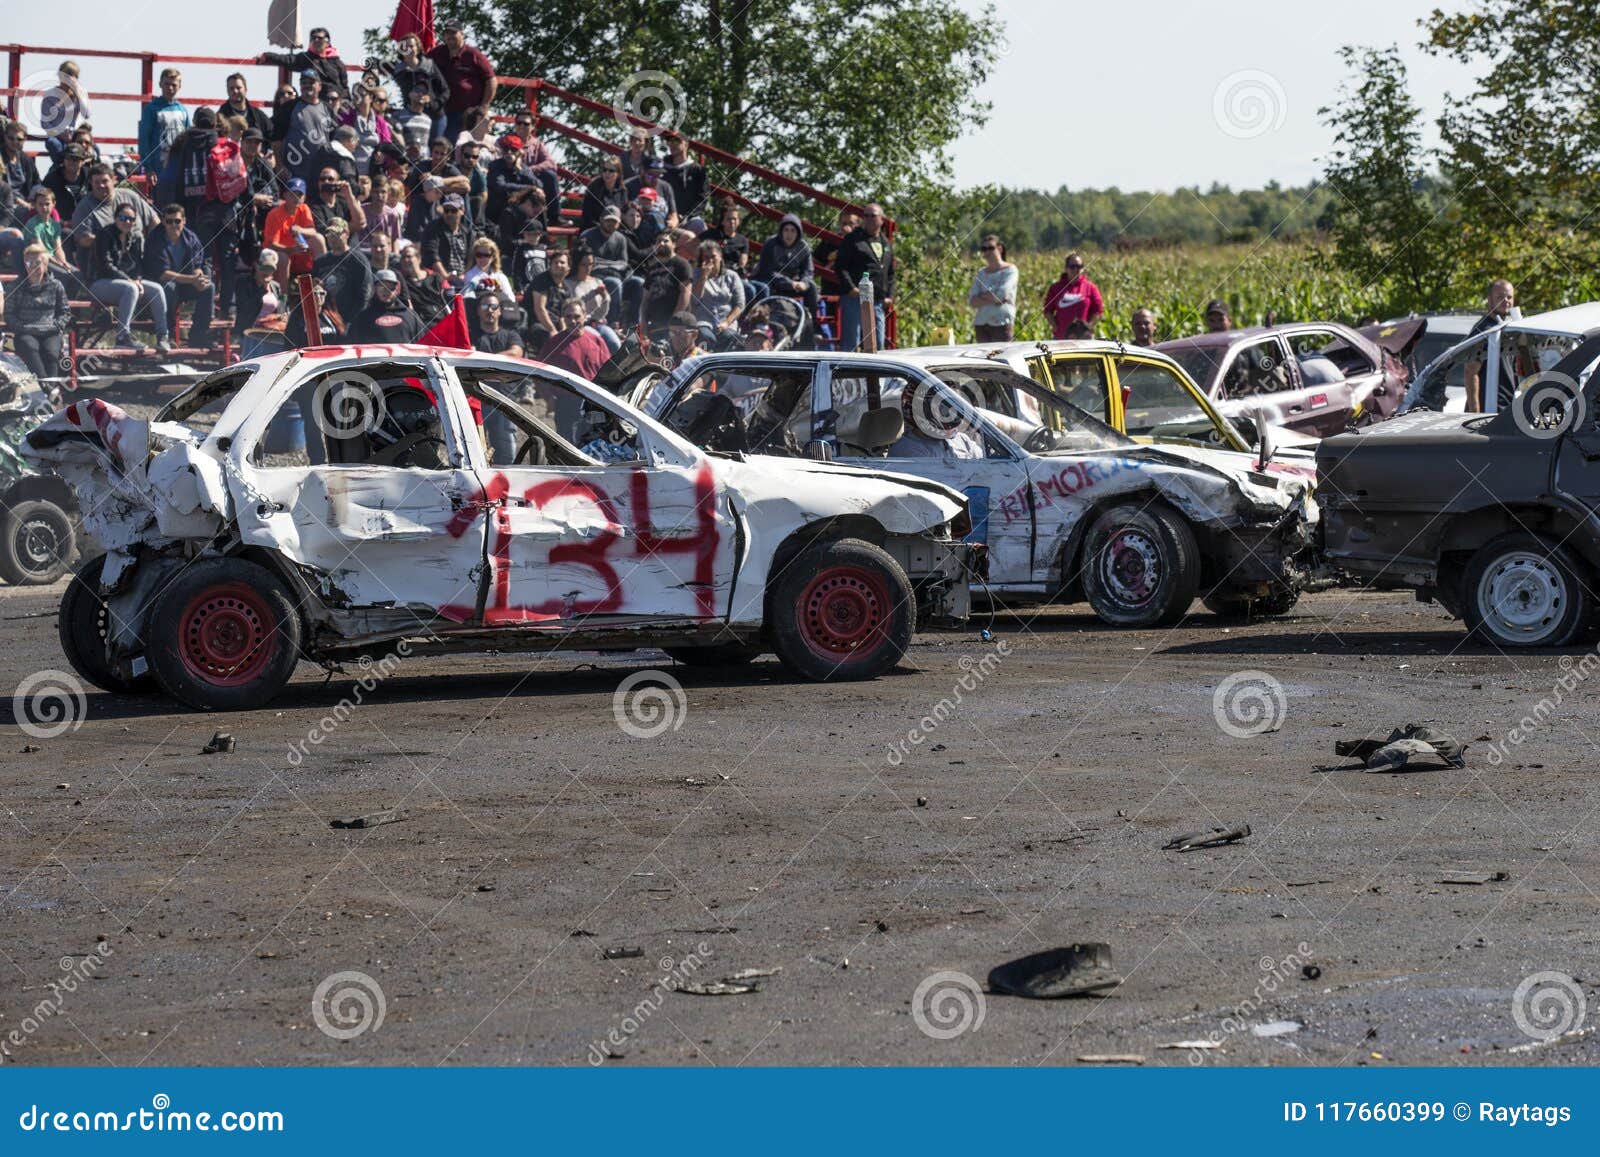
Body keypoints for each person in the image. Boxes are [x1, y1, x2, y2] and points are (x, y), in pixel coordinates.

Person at [91, 198, 168, 351]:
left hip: (127, 283)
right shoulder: (104, 235)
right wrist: (131, 281)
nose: (127, 222)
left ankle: (162, 335)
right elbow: (106, 266)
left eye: (131, 219)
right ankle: (122, 336)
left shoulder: (136, 238)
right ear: (115, 218)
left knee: (157, 289)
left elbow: (139, 265)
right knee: (130, 288)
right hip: (100, 283)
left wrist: (138, 280)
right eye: (123, 218)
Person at [144, 203, 215, 348]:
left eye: (177, 221)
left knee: (209, 287)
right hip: (160, 285)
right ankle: (168, 336)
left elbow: (197, 264)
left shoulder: (191, 238)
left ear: (184, 221)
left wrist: (198, 277)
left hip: (185, 283)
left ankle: (198, 335)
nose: (173, 225)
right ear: (163, 222)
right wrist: (192, 279)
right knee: (169, 288)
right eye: (169, 221)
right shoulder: (155, 239)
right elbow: (162, 274)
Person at [68, 163, 157, 264]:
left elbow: (154, 220)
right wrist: (116, 240)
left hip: (139, 261)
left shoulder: (130, 196)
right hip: (105, 265)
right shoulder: (84, 207)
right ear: (91, 184)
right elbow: (84, 240)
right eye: (96, 182)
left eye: (105, 181)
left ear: (114, 180)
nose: (101, 185)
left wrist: (151, 247)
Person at [6, 244, 72, 381]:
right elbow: (9, 314)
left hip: (50, 330)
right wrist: (21, 328)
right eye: (29, 262)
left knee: (52, 352)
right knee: (30, 347)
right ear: (25, 264)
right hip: (26, 332)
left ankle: (49, 391)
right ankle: (49, 391)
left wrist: (56, 326)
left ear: (46, 264)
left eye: (37, 262)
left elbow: (65, 312)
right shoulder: (16, 286)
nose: (33, 266)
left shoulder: (56, 285)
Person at [835, 203, 894, 351]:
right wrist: (850, 288)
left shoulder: (885, 242)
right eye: (865, 216)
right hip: (854, 297)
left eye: (872, 216)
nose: (868, 219)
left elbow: (890, 272)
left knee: (878, 344)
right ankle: (847, 374)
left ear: (882, 219)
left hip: (877, 300)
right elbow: (840, 266)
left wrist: (890, 295)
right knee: (851, 343)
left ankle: (877, 374)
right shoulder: (852, 239)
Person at [429, 23, 497, 140]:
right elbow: (418, 63)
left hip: (468, 114)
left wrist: (484, 106)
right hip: (442, 110)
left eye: (453, 33)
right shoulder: (437, 53)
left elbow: (491, 80)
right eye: (447, 33)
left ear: (462, 34)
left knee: (464, 146)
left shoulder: (473, 55)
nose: (449, 36)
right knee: (442, 146)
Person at [1464, 278, 1518, 412]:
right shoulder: (1484, 329)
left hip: (1506, 407)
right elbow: (1470, 371)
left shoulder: (1507, 328)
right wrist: (1474, 414)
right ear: (1489, 299)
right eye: (1500, 297)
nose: (1506, 301)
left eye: (1509, 297)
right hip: (1487, 410)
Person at [384, 33, 448, 140]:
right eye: (405, 47)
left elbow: (445, 90)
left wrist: (433, 103)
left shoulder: (429, 65)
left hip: (434, 116)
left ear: (418, 48)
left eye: (412, 46)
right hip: (410, 118)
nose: (409, 49)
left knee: (436, 150)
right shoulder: (398, 69)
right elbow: (377, 67)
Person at [261, 178, 323, 288]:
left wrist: (301, 230)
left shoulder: (304, 208)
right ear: (285, 195)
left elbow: (313, 231)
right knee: (283, 257)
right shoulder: (275, 214)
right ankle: (283, 297)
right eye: (292, 194)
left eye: (300, 194)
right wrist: (291, 250)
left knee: (318, 239)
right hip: (280, 256)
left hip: (300, 254)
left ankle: (321, 283)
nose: (296, 198)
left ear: (304, 198)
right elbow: (271, 245)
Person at [257, 27, 349, 100]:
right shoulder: (306, 58)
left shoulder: (337, 62)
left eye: (319, 38)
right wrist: (267, 56)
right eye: (313, 38)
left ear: (327, 42)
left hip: (336, 102)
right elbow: (286, 59)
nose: (316, 40)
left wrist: (346, 102)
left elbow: (344, 85)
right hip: (315, 102)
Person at [753, 213, 816, 314]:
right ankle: (765, 320)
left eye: (793, 231)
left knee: (811, 287)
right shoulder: (771, 244)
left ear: (798, 232)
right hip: (772, 280)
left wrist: (804, 282)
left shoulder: (803, 247)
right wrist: (788, 283)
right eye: (786, 230)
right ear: (781, 231)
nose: (789, 234)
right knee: (765, 287)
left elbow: (808, 271)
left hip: (794, 282)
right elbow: (767, 271)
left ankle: (812, 323)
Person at [311, 219, 372, 324]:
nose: (332, 238)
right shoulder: (319, 262)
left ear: (347, 233)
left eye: (336, 234)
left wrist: (350, 321)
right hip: (326, 321)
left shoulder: (358, 260)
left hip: (351, 322)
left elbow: (365, 294)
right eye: (329, 234)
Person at [538, 297, 611, 381]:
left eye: (577, 316)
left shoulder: (597, 341)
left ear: (584, 316)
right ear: (563, 318)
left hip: (593, 392)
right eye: (568, 317)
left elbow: (608, 373)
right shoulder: (553, 344)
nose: (572, 321)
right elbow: (540, 376)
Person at [579, 206, 631, 321]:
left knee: (638, 282)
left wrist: (601, 263)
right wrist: (612, 264)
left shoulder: (621, 238)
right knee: (614, 283)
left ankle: (634, 324)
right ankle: (614, 322)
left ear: (619, 223)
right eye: (608, 220)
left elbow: (623, 264)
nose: (611, 224)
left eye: (614, 221)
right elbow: (587, 261)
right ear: (601, 219)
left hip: (614, 275)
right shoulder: (588, 235)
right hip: (593, 276)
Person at [281, 73, 334, 185]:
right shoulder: (289, 107)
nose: (307, 85)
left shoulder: (327, 108)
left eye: (311, 82)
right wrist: (280, 166)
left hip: (321, 173)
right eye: (303, 83)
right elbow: (276, 140)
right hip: (294, 171)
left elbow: (333, 138)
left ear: (319, 86)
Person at [566, 246, 620, 351]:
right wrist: (593, 294)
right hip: (582, 324)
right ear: (577, 264)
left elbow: (603, 312)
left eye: (590, 264)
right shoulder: (568, 283)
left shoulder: (597, 281)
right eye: (584, 265)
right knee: (599, 343)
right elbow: (576, 305)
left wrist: (605, 297)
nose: (588, 268)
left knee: (615, 344)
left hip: (599, 322)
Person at [235, 249, 287, 358]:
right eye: (264, 268)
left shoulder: (275, 286)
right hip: (250, 331)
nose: (266, 272)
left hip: (270, 331)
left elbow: (280, 311)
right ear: (256, 266)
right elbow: (245, 308)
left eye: (270, 269)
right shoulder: (244, 282)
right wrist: (262, 288)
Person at [691, 239, 745, 345]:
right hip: (704, 321)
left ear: (720, 257)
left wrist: (727, 322)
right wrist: (704, 276)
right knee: (706, 337)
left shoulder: (732, 276)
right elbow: (695, 300)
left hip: (726, 321)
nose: (710, 260)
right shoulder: (696, 275)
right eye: (706, 257)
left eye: (713, 256)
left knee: (730, 337)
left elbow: (740, 304)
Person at [347, 268, 422, 343]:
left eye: (390, 286)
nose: (386, 290)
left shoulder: (411, 316)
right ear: (374, 288)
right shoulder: (363, 318)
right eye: (381, 286)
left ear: (397, 288)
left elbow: (424, 346)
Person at [639, 230, 693, 333]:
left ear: (674, 244)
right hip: (654, 325)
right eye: (658, 241)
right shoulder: (652, 267)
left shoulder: (682, 264)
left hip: (676, 326)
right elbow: (645, 298)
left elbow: (685, 293)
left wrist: (674, 320)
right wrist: (643, 321)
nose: (661, 244)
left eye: (666, 241)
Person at [137, 69, 188, 177]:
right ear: (160, 84)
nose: (170, 88)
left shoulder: (183, 110)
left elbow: (188, 139)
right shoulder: (151, 109)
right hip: (158, 168)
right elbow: (144, 139)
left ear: (180, 86)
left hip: (180, 166)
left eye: (174, 85)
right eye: (166, 84)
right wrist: (149, 168)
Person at [967, 234, 1017, 342]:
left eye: (990, 248)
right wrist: (994, 297)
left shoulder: (1010, 270)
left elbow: (1001, 294)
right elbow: (972, 301)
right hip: (981, 324)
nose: (987, 252)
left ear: (1000, 248)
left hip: (1002, 323)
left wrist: (983, 296)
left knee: (1002, 356)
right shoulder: (981, 273)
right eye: (984, 249)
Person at [38, 62, 92, 161]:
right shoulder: (50, 94)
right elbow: (45, 123)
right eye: (67, 75)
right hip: (56, 135)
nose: (70, 79)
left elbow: (87, 114)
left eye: (74, 76)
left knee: (94, 149)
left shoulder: (81, 93)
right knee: (53, 144)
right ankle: (61, 169)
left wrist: (77, 94)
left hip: (76, 136)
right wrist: (60, 133)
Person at [1043, 253, 1103, 339]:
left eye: (1079, 266)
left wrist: (1089, 327)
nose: (1076, 269)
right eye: (1072, 266)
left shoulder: (1091, 288)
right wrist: (1054, 326)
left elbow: (1098, 310)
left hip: (1083, 339)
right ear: (1066, 268)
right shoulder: (1056, 288)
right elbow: (1048, 310)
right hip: (1061, 338)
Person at [522, 247, 571, 348]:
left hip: (556, 324)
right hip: (536, 323)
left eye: (562, 262)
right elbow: (539, 309)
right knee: (548, 338)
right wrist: (553, 331)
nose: (558, 265)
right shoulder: (542, 280)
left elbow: (563, 315)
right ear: (550, 265)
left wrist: (563, 332)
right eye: (555, 262)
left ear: (568, 268)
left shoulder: (566, 289)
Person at [422, 193, 475, 284]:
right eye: (446, 210)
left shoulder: (467, 233)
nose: (449, 214)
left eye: (453, 210)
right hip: (439, 279)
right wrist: (446, 277)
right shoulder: (434, 228)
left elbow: (471, 257)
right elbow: (432, 255)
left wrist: (464, 275)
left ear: (462, 211)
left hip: (462, 278)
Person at [397, 242, 448, 326]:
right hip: (420, 326)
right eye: (403, 257)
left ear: (418, 259)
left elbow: (449, 295)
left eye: (409, 257)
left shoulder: (436, 278)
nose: (405, 260)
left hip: (441, 321)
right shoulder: (402, 283)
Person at [660, 131, 706, 221]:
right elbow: (651, 182)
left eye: (677, 141)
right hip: (663, 215)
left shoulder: (697, 170)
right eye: (670, 142)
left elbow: (703, 197)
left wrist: (688, 216)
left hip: (688, 219)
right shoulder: (661, 166)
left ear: (686, 145)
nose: (672, 144)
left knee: (699, 226)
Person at [308, 165, 366, 235]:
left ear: (337, 182)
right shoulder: (312, 205)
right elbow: (326, 231)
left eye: (330, 179)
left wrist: (349, 195)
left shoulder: (346, 202)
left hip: (351, 244)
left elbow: (361, 221)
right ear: (318, 183)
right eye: (322, 179)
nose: (326, 182)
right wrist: (353, 226)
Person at [284, 279, 343, 347]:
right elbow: (290, 343)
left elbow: (341, 339)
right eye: (314, 293)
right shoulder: (297, 317)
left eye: (322, 293)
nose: (318, 297)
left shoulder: (331, 317)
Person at [41, 143, 91, 221]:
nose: (71, 161)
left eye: (75, 159)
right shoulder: (51, 179)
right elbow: (43, 203)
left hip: (86, 223)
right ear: (63, 160)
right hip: (58, 224)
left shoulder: (90, 176)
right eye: (68, 158)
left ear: (83, 161)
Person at [217, 73, 272, 141]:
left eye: (238, 88)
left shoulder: (258, 116)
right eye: (231, 88)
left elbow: (271, 136)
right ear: (227, 91)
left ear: (245, 89)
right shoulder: (219, 118)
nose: (235, 91)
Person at [625, 157, 677, 226]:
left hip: (662, 227)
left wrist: (672, 223)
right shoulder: (628, 186)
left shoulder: (666, 187)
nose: (655, 179)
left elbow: (674, 215)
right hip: (635, 228)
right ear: (642, 171)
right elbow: (621, 213)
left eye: (658, 175)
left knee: (688, 235)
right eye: (651, 175)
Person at [580, 156, 628, 230]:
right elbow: (587, 216)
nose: (607, 173)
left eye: (611, 170)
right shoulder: (593, 187)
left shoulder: (622, 191)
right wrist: (603, 229)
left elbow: (624, 214)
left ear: (618, 174)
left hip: (615, 231)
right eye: (604, 170)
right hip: (594, 229)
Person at [463, 237, 515, 303]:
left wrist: (500, 294)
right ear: (474, 256)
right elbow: (467, 298)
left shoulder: (501, 277)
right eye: (479, 255)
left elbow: (511, 299)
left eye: (486, 255)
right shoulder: (470, 275)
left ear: (493, 257)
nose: (482, 258)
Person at [2, 122, 42, 202]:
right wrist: (19, 201)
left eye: (19, 139)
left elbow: (37, 182)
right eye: (11, 138)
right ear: (5, 137)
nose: (15, 142)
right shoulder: (0, 158)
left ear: (24, 140)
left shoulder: (26, 159)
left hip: (26, 203)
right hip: (4, 205)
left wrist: (38, 197)